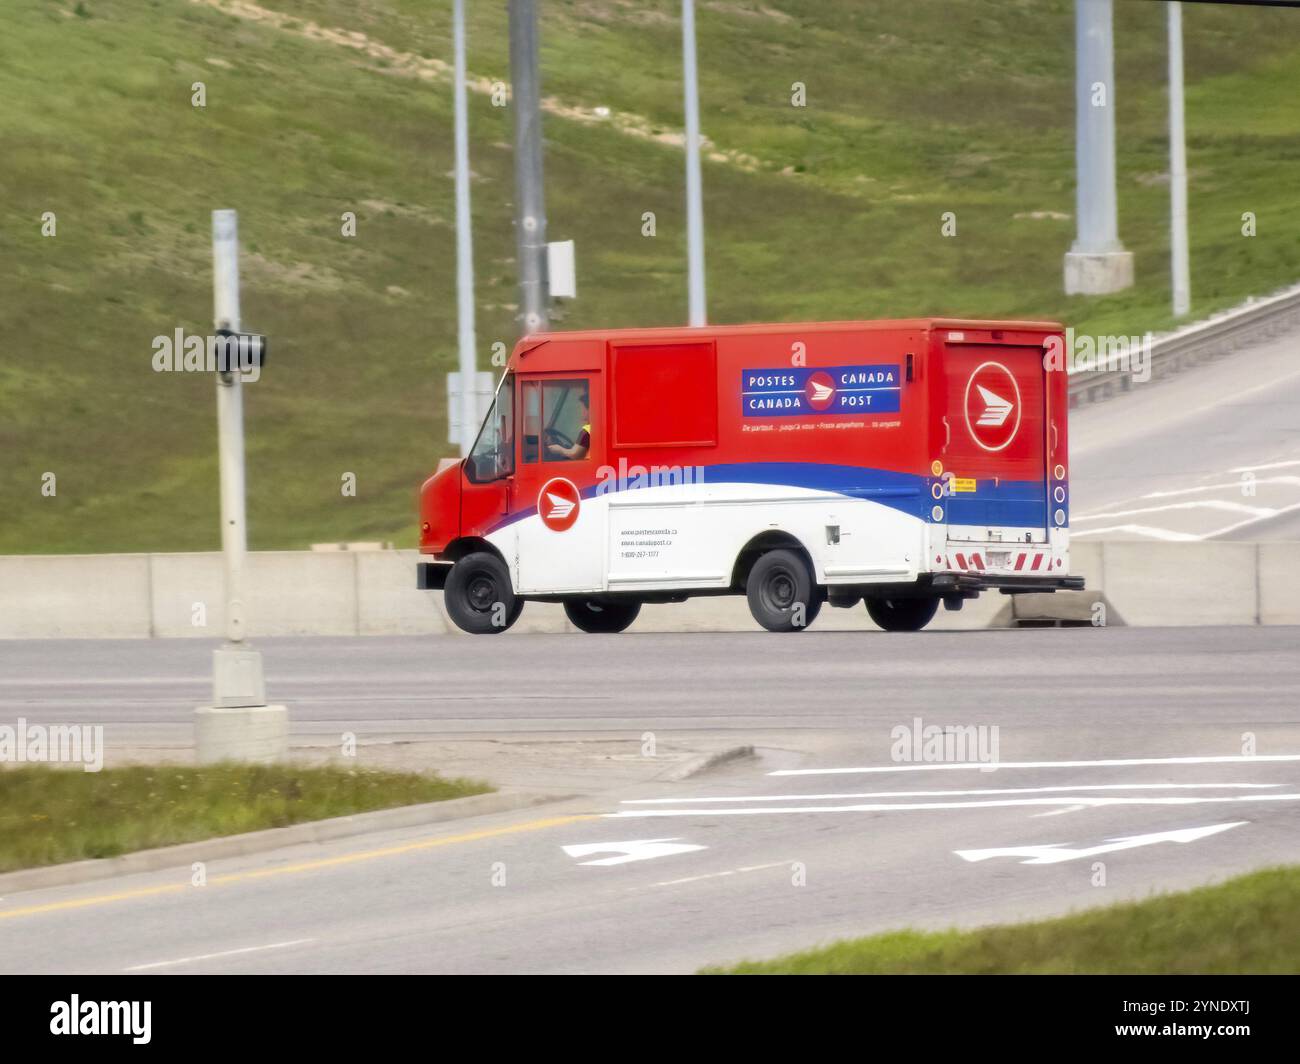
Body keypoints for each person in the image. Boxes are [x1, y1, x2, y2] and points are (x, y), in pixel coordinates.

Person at [547, 391, 590, 460]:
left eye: (583, 408)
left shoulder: (587, 431)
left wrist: (559, 450)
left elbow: (575, 454)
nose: (582, 411)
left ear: (590, 409)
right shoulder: (592, 428)